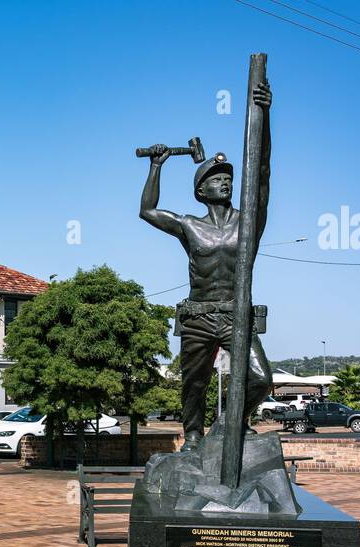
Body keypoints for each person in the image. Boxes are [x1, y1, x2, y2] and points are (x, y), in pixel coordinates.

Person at [139, 80, 273, 451]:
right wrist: (156, 166)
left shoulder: (248, 223)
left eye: (229, 178)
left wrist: (265, 116)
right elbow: (147, 211)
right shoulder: (189, 225)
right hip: (197, 316)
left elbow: (261, 176)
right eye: (217, 179)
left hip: (235, 314)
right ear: (202, 190)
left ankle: (232, 423)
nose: (226, 181)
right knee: (193, 384)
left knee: (260, 379)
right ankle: (194, 436)